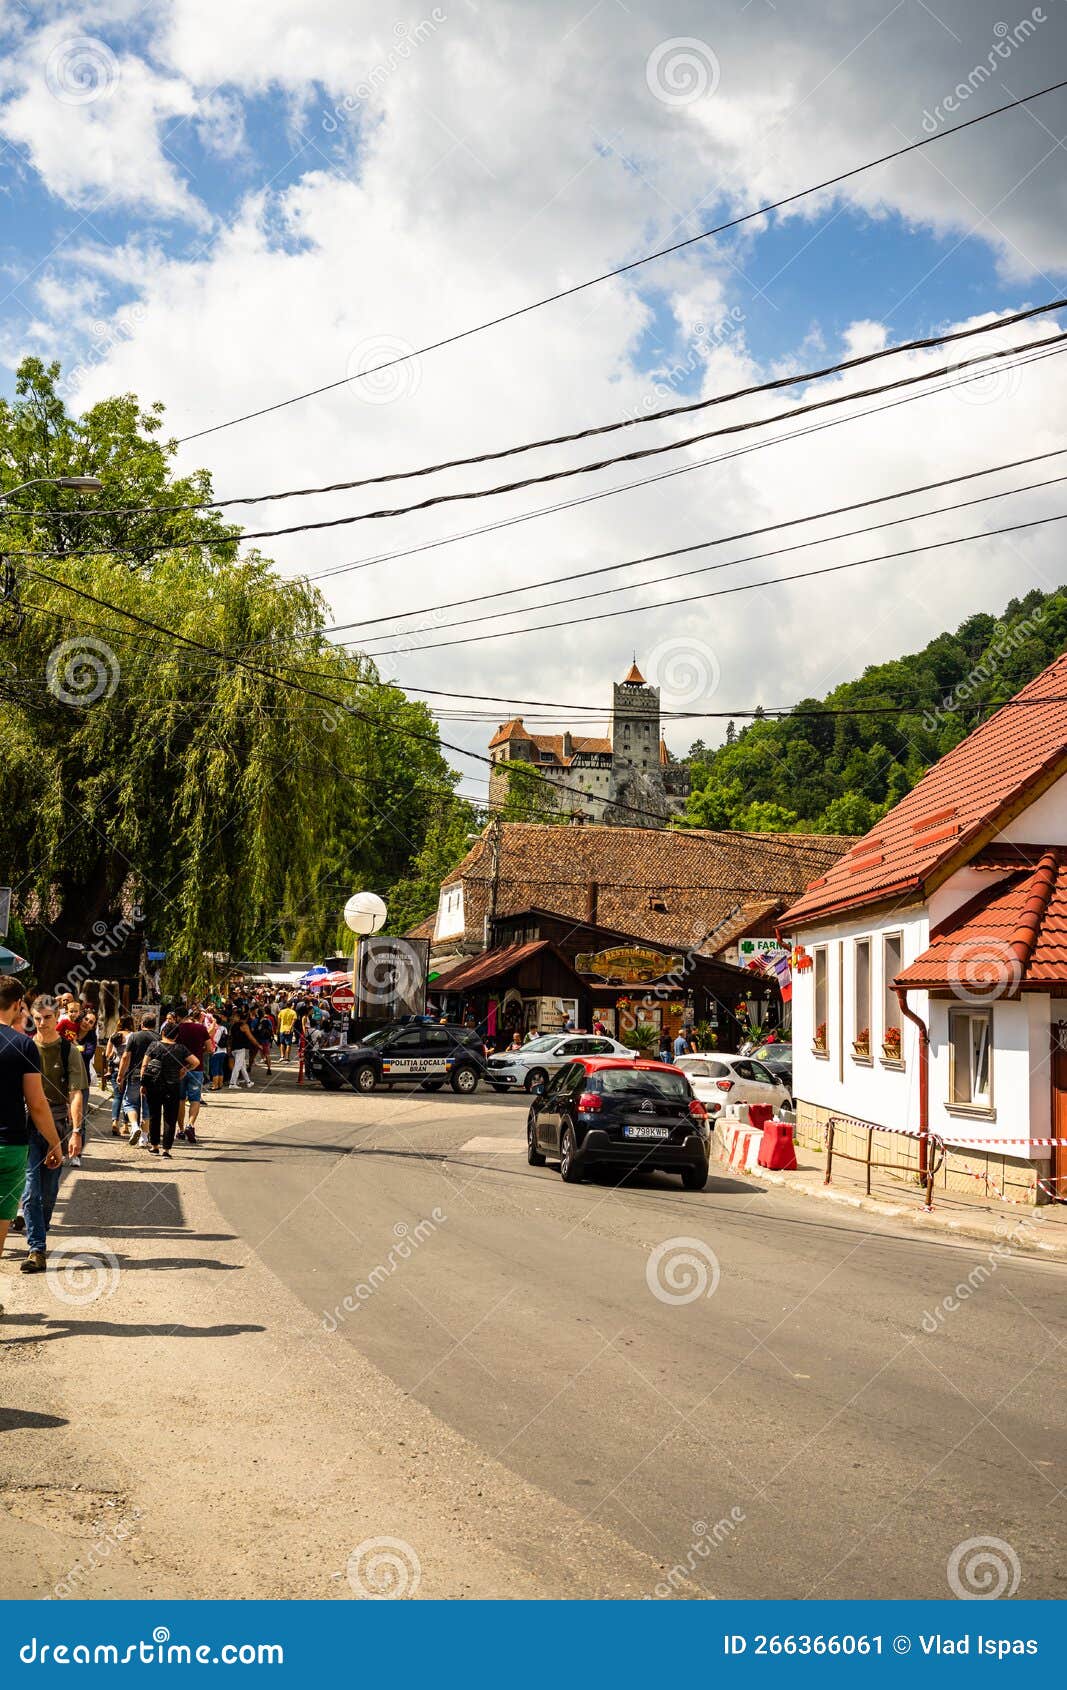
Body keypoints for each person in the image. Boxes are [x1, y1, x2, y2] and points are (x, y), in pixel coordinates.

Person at [0, 979, 65, 1304]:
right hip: (10, 1144)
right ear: (17, 1006)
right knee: (2, 1216)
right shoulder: (23, 1046)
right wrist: (55, 1142)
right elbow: (37, 1103)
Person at [17, 996, 86, 1274]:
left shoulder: (69, 1050)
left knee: (49, 1189)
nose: (42, 1022)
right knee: (31, 1188)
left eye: (47, 1017)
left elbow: (76, 1093)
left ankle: (40, 1230)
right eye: (37, 1017)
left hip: (57, 1123)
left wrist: (76, 1132)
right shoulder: (24, 1047)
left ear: (57, 1017)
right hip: (27, 1123)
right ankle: (37, 1249)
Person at [139, 1026, 198, 1158]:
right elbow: (195, 1062)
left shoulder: (154, 1045)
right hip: (172, 1086)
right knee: (170, 1118)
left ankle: (154, 1146)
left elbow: (144, 1065)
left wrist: (143, 1083)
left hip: (154, 1085)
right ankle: (167, 1150)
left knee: (154, 1116)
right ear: (176, 1036)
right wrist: (184, 1069)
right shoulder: (181, 1048)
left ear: (163, 1032)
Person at [116, 1013, 156, 1145]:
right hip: (152, 1076)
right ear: (154, 1025)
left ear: (142, 1024)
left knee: (130, 1103)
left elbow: (125, 1057)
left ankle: (134, 1126)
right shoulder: (159, 1038)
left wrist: (120, 1075)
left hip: (135, 1074)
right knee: (147, 1106)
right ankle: (144, 1138)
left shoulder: (134, 1036)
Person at [174, 1007, 211, 1143]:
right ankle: (191, 1124)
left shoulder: (176, 1029)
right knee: (195, 1099)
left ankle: (181, 1130)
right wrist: (199, 1051)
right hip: (197, 1068)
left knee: (180, 1099)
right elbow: (210, 1048)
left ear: (178, 1016)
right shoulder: (201, 1028)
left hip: (179, 1069)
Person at [106, 1015, 134, 1136]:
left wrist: (115, 1053)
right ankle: (126, 1125)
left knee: (117, 1097)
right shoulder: (133, 1036)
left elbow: (108, 1054)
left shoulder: (114, 1035)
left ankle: (114, 1122)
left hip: (116, 1069)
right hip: (129, 1070)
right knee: (128, 1098)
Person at [228, 1008, 256, 1089]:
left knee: (242, 1066)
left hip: (234, 1048)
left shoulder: (233, 1026)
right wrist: (258, 1045)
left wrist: (229, 1048)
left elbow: (230, 1037)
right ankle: (232, 1083)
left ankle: (248, 1082)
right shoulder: (242, 1026)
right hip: (240, 1048)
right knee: (238, 1066)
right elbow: (250, 1037)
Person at [209, 1017, 228, 1090]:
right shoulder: (224, 1028)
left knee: (215, 1069)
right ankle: (220, 1084)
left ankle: (215, 1085)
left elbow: (214, 1040)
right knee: (220, 1068)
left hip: (216, 1051)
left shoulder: (215, 1029)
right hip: (223, 1050)